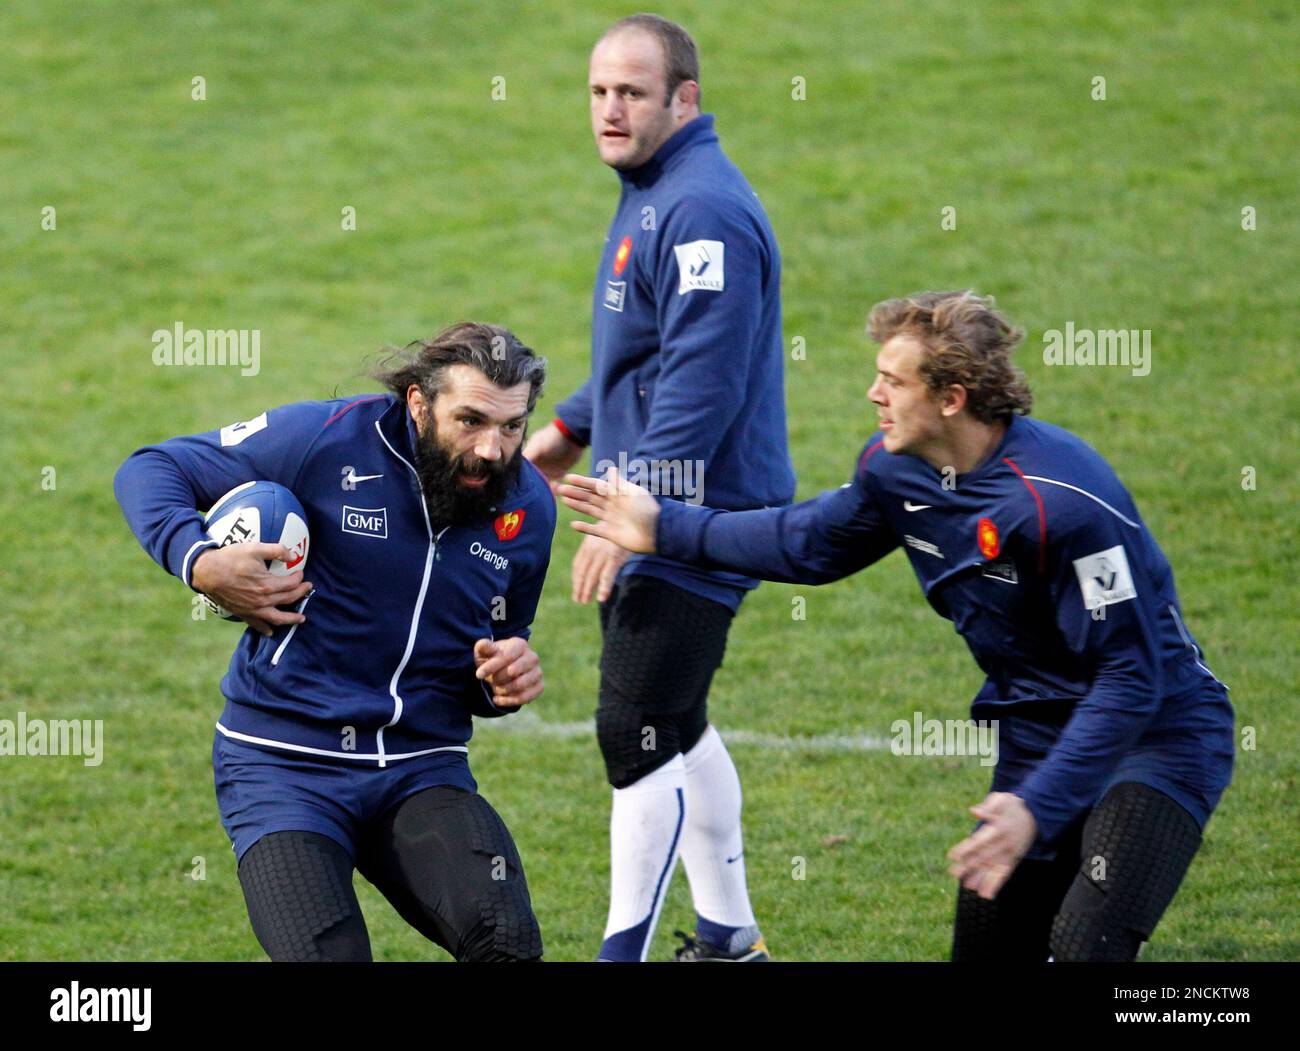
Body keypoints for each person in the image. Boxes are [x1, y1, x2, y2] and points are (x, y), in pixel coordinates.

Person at [559, 290, 1235, 962]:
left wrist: (1037, 805)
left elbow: (1130, 675)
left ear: (951, 398)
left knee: (1086, 945)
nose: (871, 394)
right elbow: (809, 544)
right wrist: (663, 527)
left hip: (1155, 738)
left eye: (892, 380)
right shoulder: (896, 469)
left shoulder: (1064, 503)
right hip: (1036, 738)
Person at [115, 323, 555, 961]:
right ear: (418, 404)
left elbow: (494, 651)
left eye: (511, 427)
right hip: (281, 765)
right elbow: (153, 467)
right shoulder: (326, 440)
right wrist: (200, 563)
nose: (491, 449)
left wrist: (503, 681)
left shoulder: (527, 508)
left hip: (419, 765)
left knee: (507, 943)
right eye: (470, 420)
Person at [524, 14, 795, 961]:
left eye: (631, 93)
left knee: (630, 723)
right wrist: (565, 431)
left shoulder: (701, 210)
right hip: (657, 504)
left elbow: (702, 381)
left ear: (685, 99)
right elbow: (640, 351)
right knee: (675, 721)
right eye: (599, 91)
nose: (610, 109)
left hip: (694, 516)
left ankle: (621, 956)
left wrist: (630, 510)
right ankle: (729, 937)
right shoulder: (653, 191)